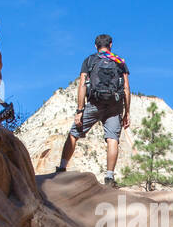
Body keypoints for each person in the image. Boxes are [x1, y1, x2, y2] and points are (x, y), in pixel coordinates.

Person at [54, 34, 131, 186]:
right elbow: (127, 89)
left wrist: (79, 110)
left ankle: (62, 168)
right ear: (111, 45)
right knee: (112, 139)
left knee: (74, 133)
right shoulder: (120, 61)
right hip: (115, 105)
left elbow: (82, 85)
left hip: (94, 103)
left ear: (96, 46)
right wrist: (126, 112)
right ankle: (109, 177)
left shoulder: (89, 60)